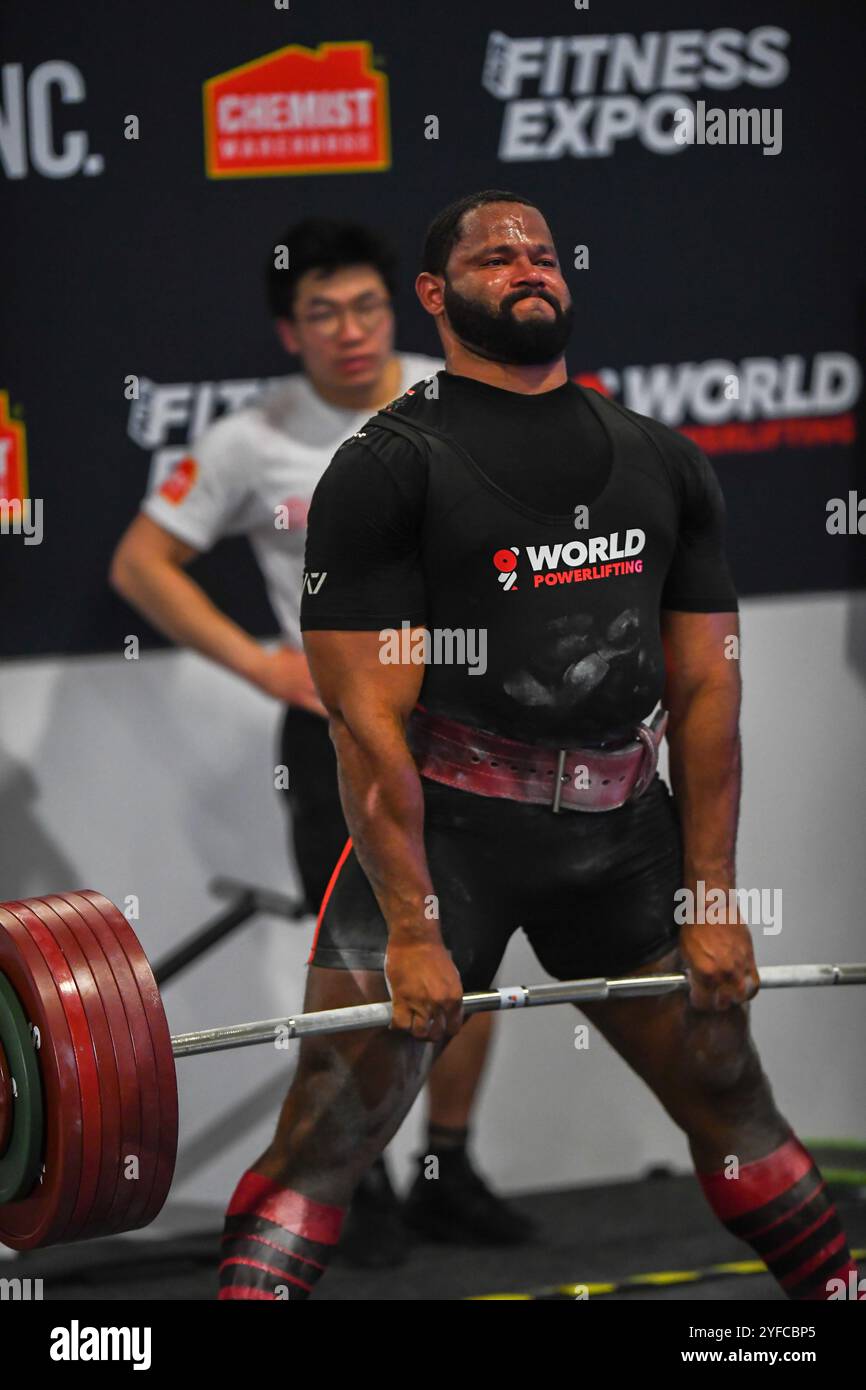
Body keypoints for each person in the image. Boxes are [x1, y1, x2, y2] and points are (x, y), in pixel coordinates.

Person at [215, 189, 864, 1302]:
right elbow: (365, 723)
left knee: (728, 1094)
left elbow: (707, 687)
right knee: (331, 1127)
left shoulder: (659, 458)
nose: (528, 265)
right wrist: (416, 929)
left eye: (543, 252)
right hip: (449, 841)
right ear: (436, 295)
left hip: (620, 843)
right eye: (493, 254)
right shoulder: (384, 467)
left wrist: (712, 904)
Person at [109, 217, 531, 1267]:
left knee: (471, 958)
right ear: (287, 331)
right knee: (366, 960)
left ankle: (448, 1165)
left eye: (366, 307)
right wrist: (260, 665)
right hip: (339, 731)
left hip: (474, 719)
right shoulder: (249, 439)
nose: (348, 330)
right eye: (320, 313)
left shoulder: (462, 396)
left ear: (406, 307)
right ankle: (366, 1183)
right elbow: (141, 564)